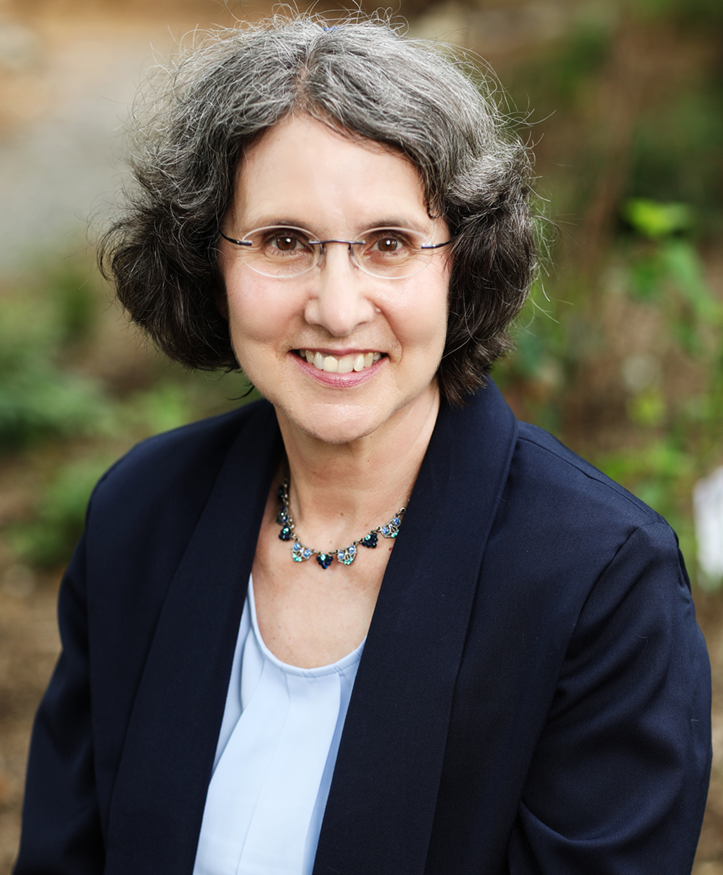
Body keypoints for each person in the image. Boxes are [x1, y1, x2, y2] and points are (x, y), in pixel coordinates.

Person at [14, 13, 711, 875]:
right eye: (283, 241)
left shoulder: (598, 584)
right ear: (207, 259)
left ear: (463, 262)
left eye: (387, 244)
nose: (337, 306)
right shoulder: (140, 513)